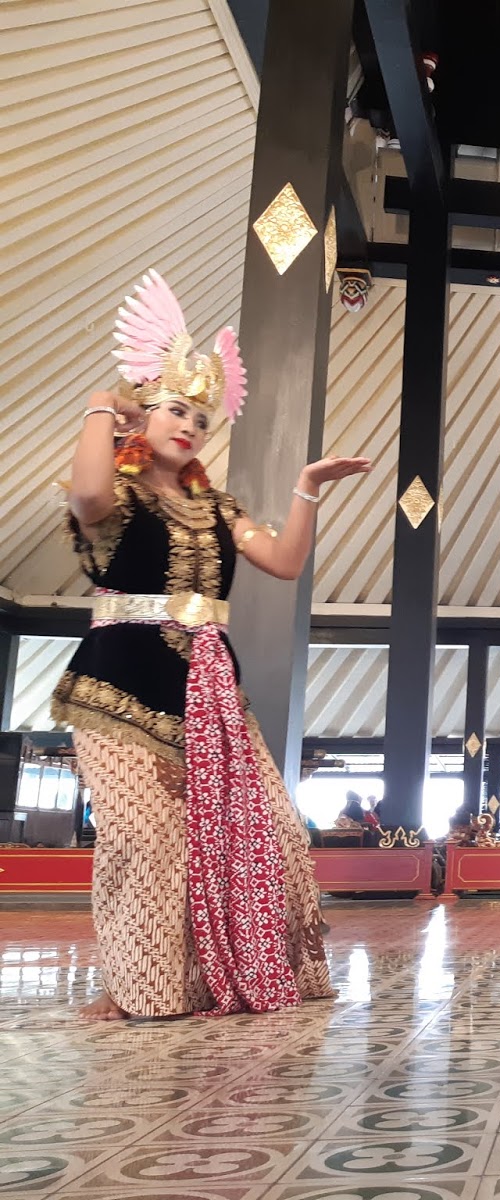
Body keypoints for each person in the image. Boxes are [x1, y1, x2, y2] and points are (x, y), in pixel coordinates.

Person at [52, 270, 370, 1020]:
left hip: (208, 690)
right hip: (118, 688)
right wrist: (104, 405)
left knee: (270, 832)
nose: (189, 424)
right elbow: (88, 493)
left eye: (200, 415)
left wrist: (307, 487)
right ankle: (141, 986)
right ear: (141, 416)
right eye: (173, 409)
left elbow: (285, 563)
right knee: (146, 838)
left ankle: (219, 976)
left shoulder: (221, 508)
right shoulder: (119, 496)